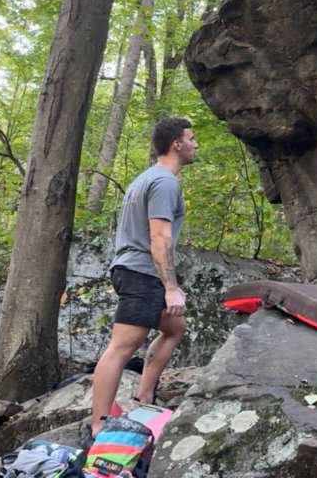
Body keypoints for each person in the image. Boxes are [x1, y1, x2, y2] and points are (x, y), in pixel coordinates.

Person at [88, 117, 197, 437]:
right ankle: (100, 424)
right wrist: (171, 287)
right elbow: (159, 238)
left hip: (131, 267)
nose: (195, 143)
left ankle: (145, 397)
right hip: (141, 271)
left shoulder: (145, 179)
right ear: (176, 144)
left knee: (175, 327)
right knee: (121, 347)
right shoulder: (165, 182)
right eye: (191, 138)